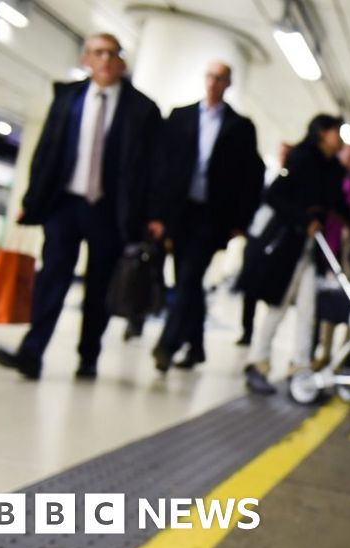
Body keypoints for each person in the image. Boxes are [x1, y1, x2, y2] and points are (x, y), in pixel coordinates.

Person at [0, 33, 164, 380]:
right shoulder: (68, 97)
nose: (105, 60)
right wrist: (32, 201)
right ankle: (32, 353)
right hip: (64, 206)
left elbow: (153, 169)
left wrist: (152, 215)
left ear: (122, 62)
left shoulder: (143, 110)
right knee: (51, 278)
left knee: (100, 287)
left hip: (110, 211)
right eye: (98, 53)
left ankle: (88, 356)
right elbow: (46, 152)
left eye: (112, 54)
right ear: (86, 59)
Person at [241, 114, 350, 395]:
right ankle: (257, 362)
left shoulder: (333, 169)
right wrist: (303, 219)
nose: (341, 139)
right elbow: (275, 195)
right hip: (289, 245)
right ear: (323, 133)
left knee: (309, 310)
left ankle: (301, 367)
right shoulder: (302, 157)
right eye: (338, 133)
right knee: (279, 304)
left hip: (312, 250)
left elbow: (338, 204)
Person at [151, 62, 264, 372]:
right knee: (188, 281)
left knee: (188, 276)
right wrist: (157, 214)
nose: (214, 83)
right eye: (211, 76)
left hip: (212, 217)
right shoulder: (180, 117)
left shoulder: (240, 127)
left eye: (221, 78)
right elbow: (162, 167)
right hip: (179, 213)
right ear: (205, 80)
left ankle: (167, 344)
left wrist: (241, 222)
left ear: (228, 83)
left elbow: (251, 178)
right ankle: (197, 346)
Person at [236, 141, 292, 347]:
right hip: (257, 234)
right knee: (249, 286)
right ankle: (247, 330)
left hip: (274, 239)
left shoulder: (288, 183)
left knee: (265, 287)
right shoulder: (270, 175)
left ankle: (261, 338)